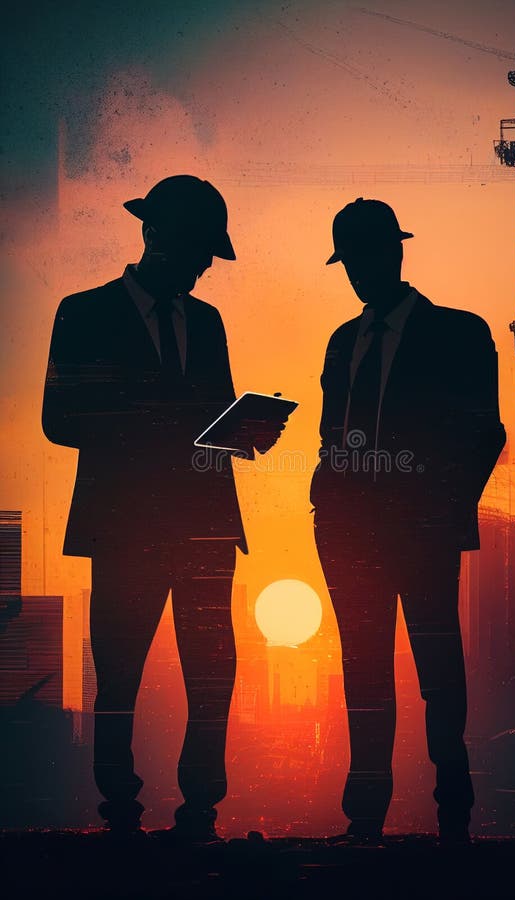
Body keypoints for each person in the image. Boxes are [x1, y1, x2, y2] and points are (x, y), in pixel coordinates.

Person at [42, 175, 286, 840]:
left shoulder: (207, 324)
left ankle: (200, 807)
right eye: (198, 250)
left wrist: (247, 434)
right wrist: (159, 422)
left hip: (203, 524)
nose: (206, 266)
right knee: (120, 672)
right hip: (127, 527)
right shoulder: (83, 313)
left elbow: (216, 417)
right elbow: (59, 419)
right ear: (155, 237)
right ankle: (121, 808)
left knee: (212, 669)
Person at [311, 198, 506, 844]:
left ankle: (454, 811)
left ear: (395, 252)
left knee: (437, 671)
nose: (358, 273)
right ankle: (365, 816)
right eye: (351, 262)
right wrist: (326, 504)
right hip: (349, 540)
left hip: (420, 536)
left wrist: (441, 512)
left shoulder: (459, 333)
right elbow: (331, 436)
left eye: (367, 257)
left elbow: (486, 435)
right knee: (365, 671)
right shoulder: (343, 344)